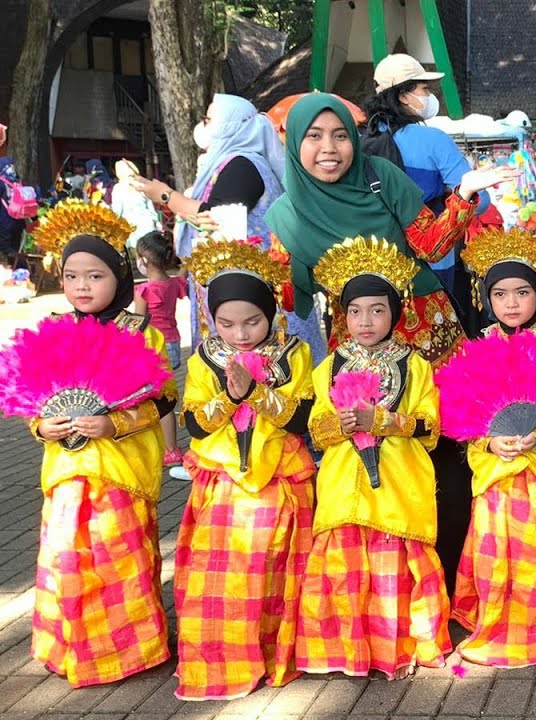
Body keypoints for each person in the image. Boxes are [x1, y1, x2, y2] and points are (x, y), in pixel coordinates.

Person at [266, 94, 516, 594]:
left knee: (447, 451)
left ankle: (454, 578)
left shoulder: (380, 175)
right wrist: (253, 272)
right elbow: (293, 297)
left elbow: (432, 243)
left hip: (428, 334)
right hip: (357, 348)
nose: (329, 148)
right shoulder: (286, 215)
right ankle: (391, 591)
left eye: (339, 135)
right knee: (375, 459)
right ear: (295, 145)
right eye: (313, 137)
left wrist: (463, 194)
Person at [25, 207, 177, 687]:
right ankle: (70, 646)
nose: (82, 286)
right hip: (67, 476)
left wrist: (115, 424)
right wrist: (40, 428)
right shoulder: (53, 333)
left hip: (119, 476)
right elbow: (34, 402)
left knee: (119, 562)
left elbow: (162, 400)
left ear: (121, 278)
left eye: (95, 275)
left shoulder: (140, 334)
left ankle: (129, 650)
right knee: (67, 559)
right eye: (71, 276)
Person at [301, 237, 451, 677]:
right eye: (355, 311)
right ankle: (346, 652)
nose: (365, 321)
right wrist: (339, 427)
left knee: (393, 571)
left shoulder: (416, 365)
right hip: (344, 486)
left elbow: (430, 426)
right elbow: (316, 430)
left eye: (377, 309)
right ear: (341, 315)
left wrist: (383, 420)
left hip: (398, 485)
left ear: (396, 311)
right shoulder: (328, 366)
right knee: (345, 572)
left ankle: (398, 647)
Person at [174, 238, 315, 700]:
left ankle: (273, 651)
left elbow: (301, 418)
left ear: (272, 313)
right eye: (226, 323)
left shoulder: (294, 353)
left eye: (252, 321)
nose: (240, 333)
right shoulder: (202, 359)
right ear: (210, 319)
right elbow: (194, 425)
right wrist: (228, 398)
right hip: (223, 483)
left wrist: (254, 392)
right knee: (220, 572)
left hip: (277, 475)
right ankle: (221, 660)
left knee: (272, 567)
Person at [447, 227, 536, 668]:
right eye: (500, 294)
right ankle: (497, 616)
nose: (511, 303)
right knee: (495, 547)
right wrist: (490, 441)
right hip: (495, 469)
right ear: (486, 298)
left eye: (522, 292)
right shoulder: (475, 347)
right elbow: (460, 411)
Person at [132, 94, 326, 361]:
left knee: (260, 368)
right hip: (242, 288)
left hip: (249, 293)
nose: (203, 126)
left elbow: (216, 218)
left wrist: (166, 196)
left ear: (231, 125)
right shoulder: (235, 162)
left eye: (209, 119)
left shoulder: (243, 164)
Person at [363, 53, 494, 291]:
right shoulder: (433, 140)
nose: (429, 96)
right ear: (403, 96)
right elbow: (481, 202)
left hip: (376, 260)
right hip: (432, 260)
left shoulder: (363, 141)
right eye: (424, 88)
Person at [133, 231, 188, 466]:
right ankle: (166, 446)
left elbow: (137, 323)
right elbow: (183, 275)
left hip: (155, 347)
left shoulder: (144, 290)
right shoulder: (172, 283)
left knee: (160, 399)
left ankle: (170, 449)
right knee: (162, 394)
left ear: (144, 260)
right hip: (174, 342)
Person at [111, 160, 161, 251]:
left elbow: (117, 211)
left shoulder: (118, 188)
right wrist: (156, 221)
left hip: (132, 227)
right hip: (148, 224)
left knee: (137, 254)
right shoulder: (141, 185)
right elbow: (151, 208)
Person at [0, 157, 27, 262]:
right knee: (15, 247)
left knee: (6, 249)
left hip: (4, 221)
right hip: (18, 220)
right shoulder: (17, 181)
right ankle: (19, 269)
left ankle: (17, 267)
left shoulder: (1, 182)